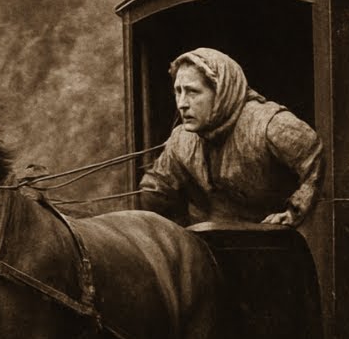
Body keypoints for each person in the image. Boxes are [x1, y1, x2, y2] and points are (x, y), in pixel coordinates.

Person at [138, 47, 323, 227]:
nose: (182, 104)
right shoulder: (182, 139)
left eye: (192, 91)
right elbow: (157, 189)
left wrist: (293, 213)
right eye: (178, 92)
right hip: (215, 242)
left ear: (220, 91)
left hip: (277, 240)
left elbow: (318, 161)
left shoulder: (269, 124)